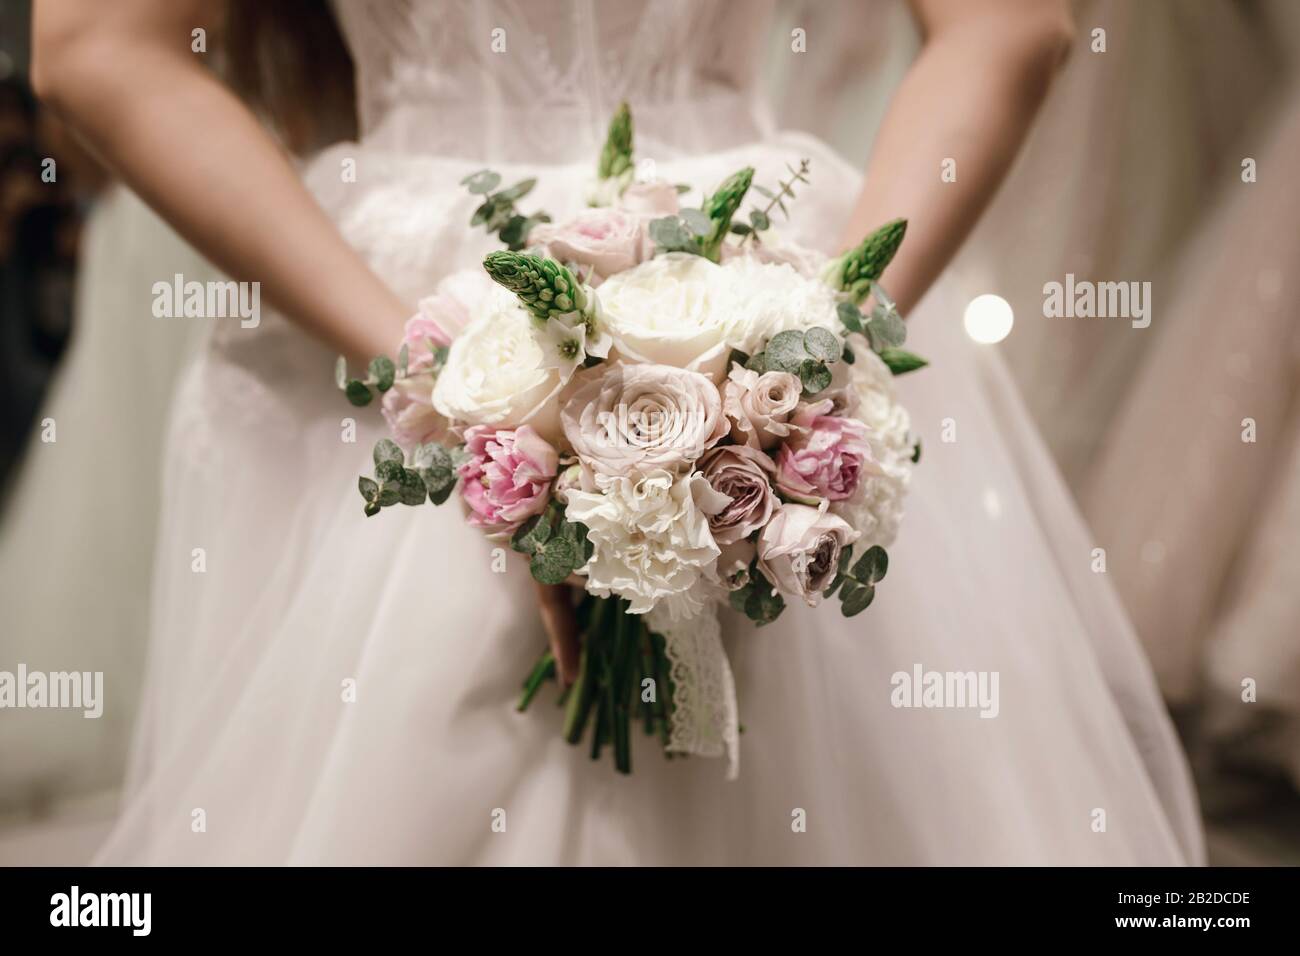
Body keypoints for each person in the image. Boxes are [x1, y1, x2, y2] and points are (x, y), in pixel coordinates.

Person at [32, 0, 1202, 864]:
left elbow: (96, 41)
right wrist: (469, 379)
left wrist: (785, 363)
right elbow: (1015, 25)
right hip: (575, 281)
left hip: (608, 279)